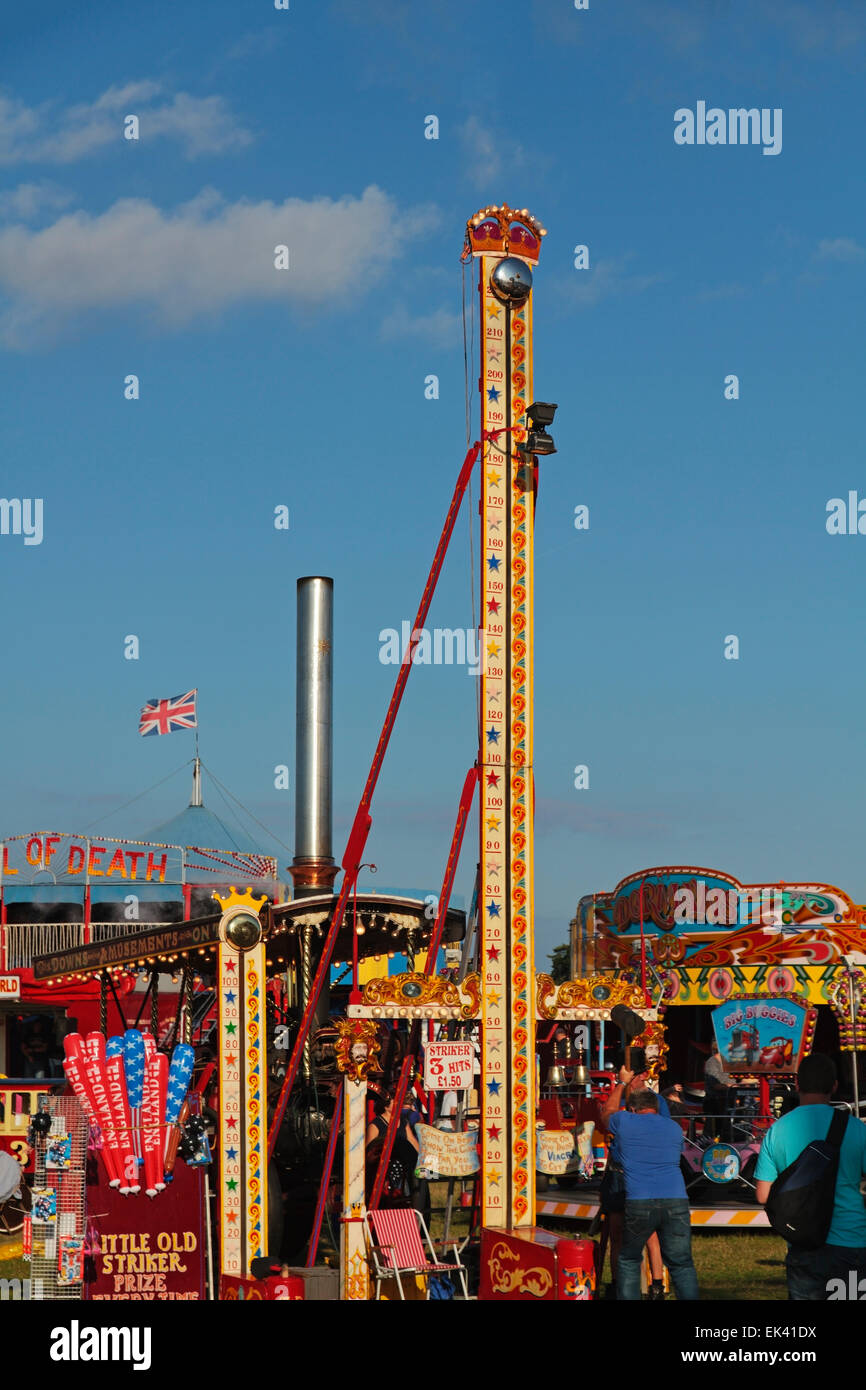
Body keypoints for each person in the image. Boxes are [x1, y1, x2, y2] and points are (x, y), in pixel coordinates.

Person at [755, 1052, 866, 1300]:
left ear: (797, 1085)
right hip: (851, 1239)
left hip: (803, 1240)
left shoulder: (777, 1130)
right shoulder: (856, 1129)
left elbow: (763, 1195)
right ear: (835, 1086)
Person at [602, 1071, 699, 1302]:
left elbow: (606, 1113)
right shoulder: (673, 1129)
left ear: (633, 1109)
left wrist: (622, 1083)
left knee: (629, 1258)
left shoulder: (625, 1122)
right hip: (676, 1200)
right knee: (682, 1263)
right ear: (656, 1107)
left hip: (639, 1200)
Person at [598, 1063, 671, 1300]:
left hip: (642, 1172)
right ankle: (617, 1284)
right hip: (618, 1173)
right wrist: (620, 1086)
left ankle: (656, 1284)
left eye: (633, 1075)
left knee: (649, 1232)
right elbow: (605, 1118)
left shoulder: (654, 1102)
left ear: (643, 1076)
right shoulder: (620, 1098)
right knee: (616, 1231)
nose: (631, 1079)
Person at [703, 1042, 735, 1141]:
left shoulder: (729, 1062)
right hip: (715, 1101)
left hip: (728, 1100)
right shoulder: (712, 1062)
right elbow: (715, 1085)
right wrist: (730, 1086)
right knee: (714, 1131)